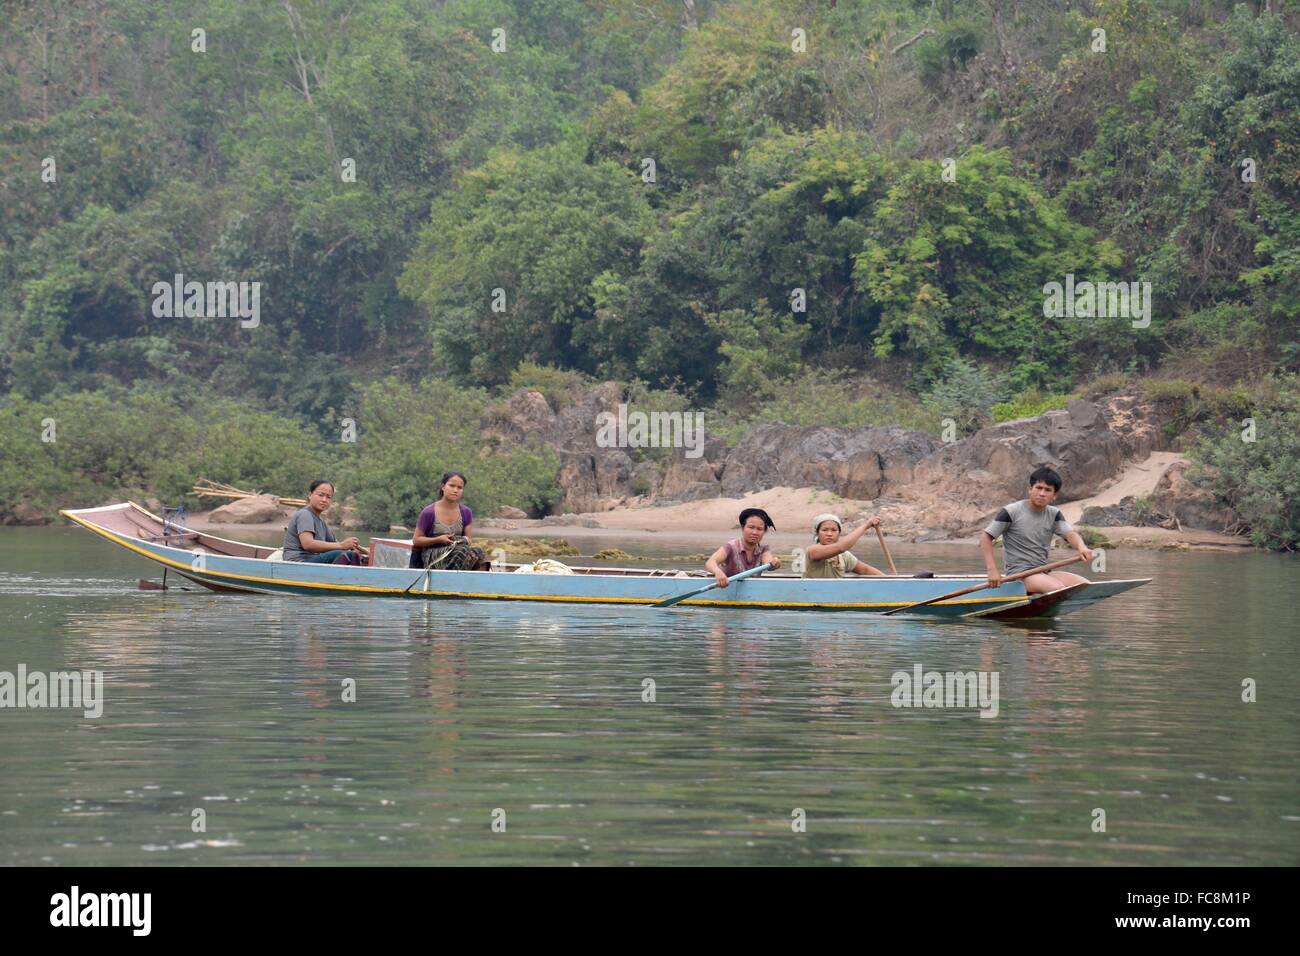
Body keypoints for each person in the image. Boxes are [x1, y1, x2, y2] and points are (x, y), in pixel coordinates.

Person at [981, 466, 1095, 595]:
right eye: (1038, 488)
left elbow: (1070, 534)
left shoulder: (1054, 513)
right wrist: (992, 570)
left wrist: (1082, 547)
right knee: (1058, 589)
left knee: (1086, 586)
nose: (1042, 493)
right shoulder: (1011, 511)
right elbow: (986, 536)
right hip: (1020, 575)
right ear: (1030, 489)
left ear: (1054, 495)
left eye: (1048, 490)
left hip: (1043, 571)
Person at [411, 471, 489, 571]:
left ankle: (472, 583)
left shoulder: (466, 512)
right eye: (452, 486)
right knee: (462, 552)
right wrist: (439, 539)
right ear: (443, 487)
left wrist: (459, 540)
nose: (455, 490)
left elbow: (468, 540)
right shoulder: (429, 512)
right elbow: (416, 540)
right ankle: (450, 581)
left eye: (459, 488)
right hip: (432, 555)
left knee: (479, 552)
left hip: (457, 551)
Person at [283, 480, 367, 564]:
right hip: (298, 561)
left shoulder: (321, 522)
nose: (324, 500)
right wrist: (342, 545)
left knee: (352, 555)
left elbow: (335, 544)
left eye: (328, 497)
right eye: (320, 495)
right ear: (310, 495)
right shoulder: (305, 514)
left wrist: (353, 546)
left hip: (312, 559)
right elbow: (308, 544)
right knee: (345, 555)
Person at [705, 508, 782, 588]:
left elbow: (768, 563)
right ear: (743, 528)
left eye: (759, 529)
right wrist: (718, 572)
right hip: (726, 589)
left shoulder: (763, 549)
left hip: (751, 591)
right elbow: (710, 563)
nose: (755, 532)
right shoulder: (731, 547)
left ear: (764, 532)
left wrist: (775, 564)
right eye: (751, 527)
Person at [803, 513, 886, 577]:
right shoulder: (813, 551)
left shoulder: (844, 556)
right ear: (817, 533)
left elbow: (865, 570)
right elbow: (841, 547)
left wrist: (889, 580)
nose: (829, 534)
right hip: (812, 597)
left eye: (834, 530)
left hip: (835, 597)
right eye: (824, 530)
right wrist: (866, 525)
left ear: (839, 533)